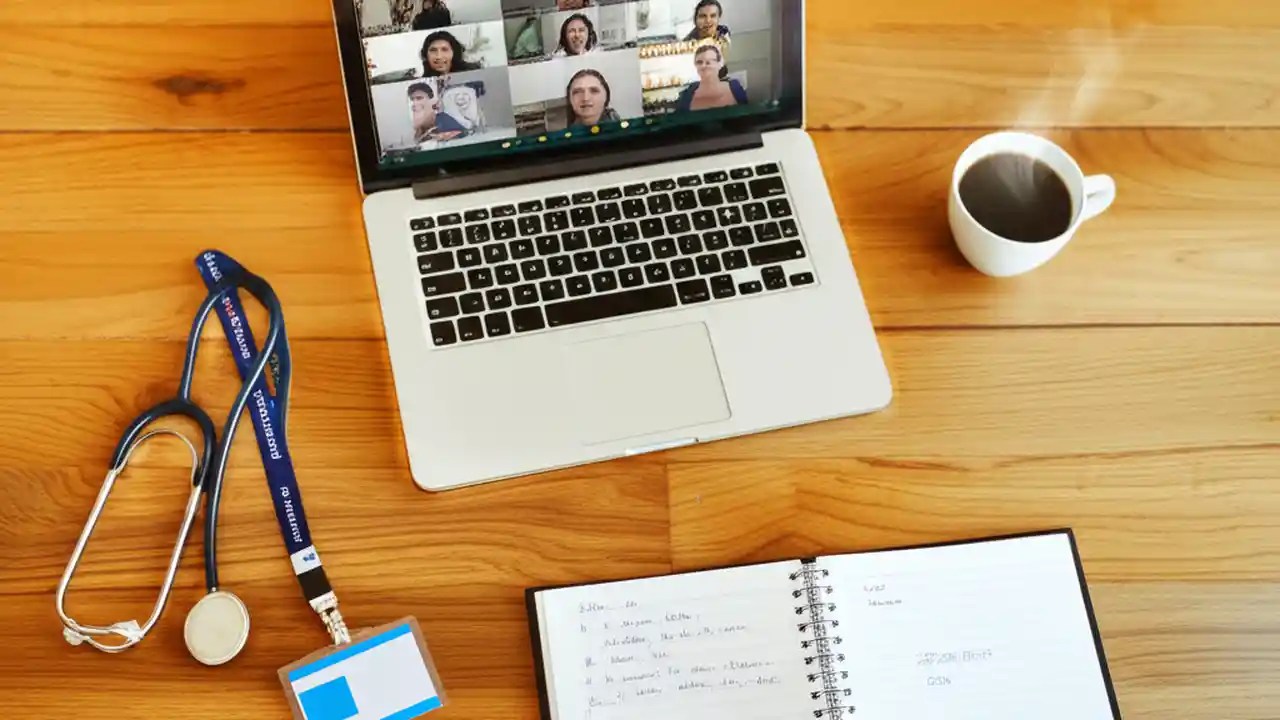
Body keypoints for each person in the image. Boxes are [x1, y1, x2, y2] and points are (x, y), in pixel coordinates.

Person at [674, 44, 747, 112]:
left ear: (720, 64)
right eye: (699, 62)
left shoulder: (734, 87)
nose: (703, 66)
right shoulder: (688, 95)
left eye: (708, 62)